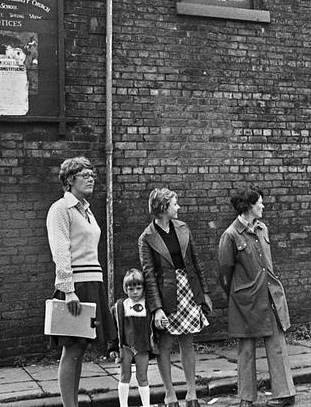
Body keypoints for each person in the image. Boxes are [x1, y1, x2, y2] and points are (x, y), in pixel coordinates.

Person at [215, 188, 294, 407]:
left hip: (269, 295)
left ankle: (285, 393)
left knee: (277, 344)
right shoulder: (230, 235)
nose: (263, 206)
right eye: (260, 202)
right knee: (246, 349)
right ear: (249, 206)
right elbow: (224, 273)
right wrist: (240, 293)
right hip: (245, 301)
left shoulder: (262, 228)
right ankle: (246, 399)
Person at [47, 156, 115, 407]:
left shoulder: (86, 210)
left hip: (92, 283)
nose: (91, 179)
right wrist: (68, 290)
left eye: (92, 175)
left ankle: (73, 403)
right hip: (76, 286)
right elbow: (61, 251)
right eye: (84, 175)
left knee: (81, 349)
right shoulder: (60, 209)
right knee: (72, 349)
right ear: (69, 180)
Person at [138, 187, 212, 407]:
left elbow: (196, 262)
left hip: (188, 289)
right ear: (163, 208)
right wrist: (157, 308)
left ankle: (191, 393)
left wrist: (204, 292)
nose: (178, 207)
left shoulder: (183, 228)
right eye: (174, 204)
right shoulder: (147, 237)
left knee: (187, 341)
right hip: (166, 294)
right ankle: (169, 394)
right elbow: (148, 275)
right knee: (165, 344)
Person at [113, 270, 154, 407]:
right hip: (126, 347)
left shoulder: (149, 305)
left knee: (142, 377)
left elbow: (154, 326)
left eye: (138, 288)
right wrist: (113, 347)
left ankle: (146, 405)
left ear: (143, 288)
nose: (135, 292)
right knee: (124, 376)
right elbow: (114, 328)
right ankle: (123, 405)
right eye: (131, 289)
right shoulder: (121, 305)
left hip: (142, 347)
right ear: (125, 289)